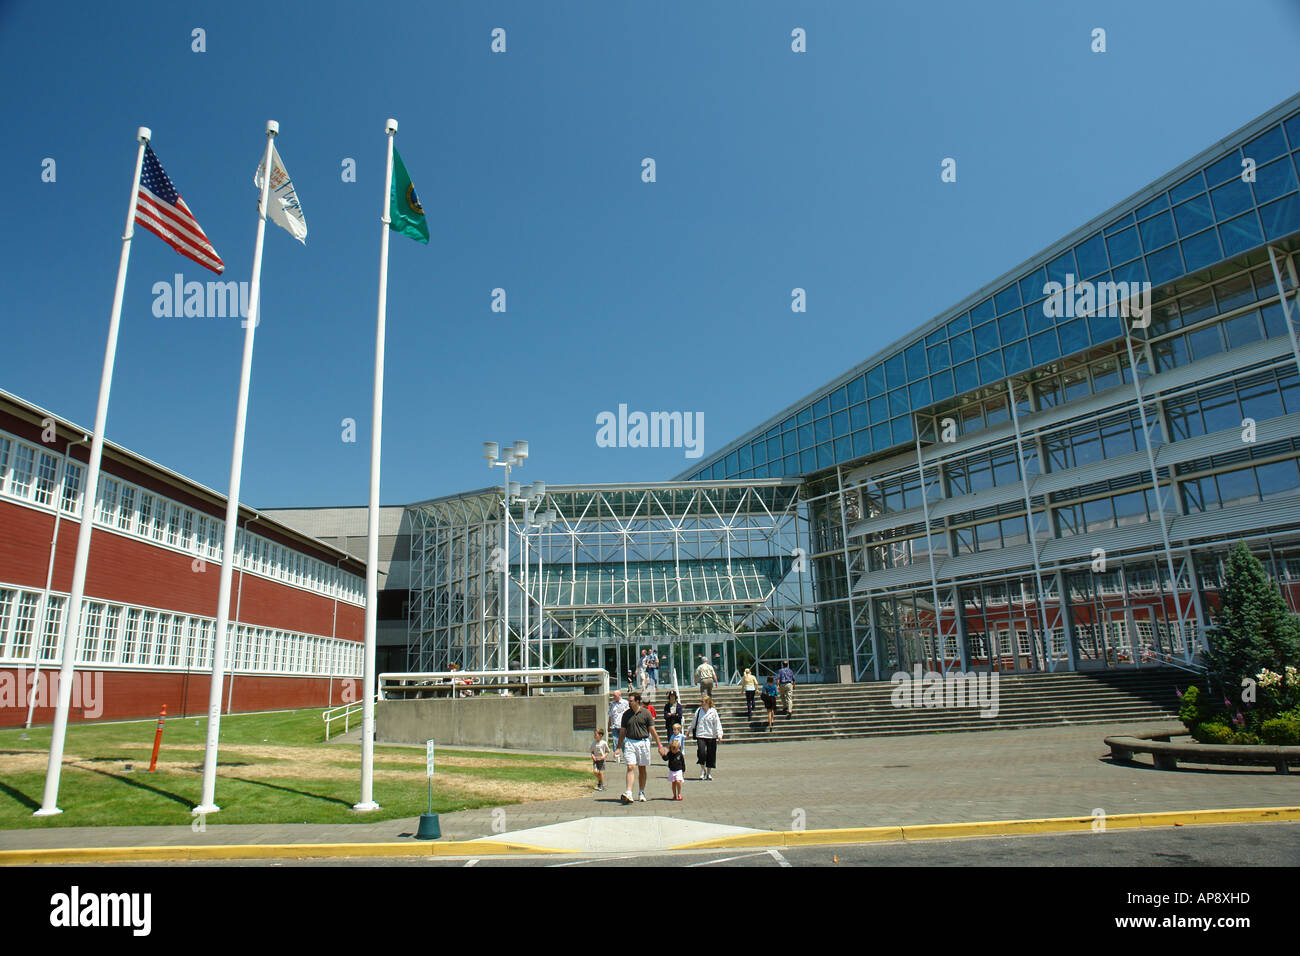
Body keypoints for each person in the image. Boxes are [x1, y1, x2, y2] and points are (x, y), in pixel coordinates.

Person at [617, 692, 667, 804]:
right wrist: (618, 747)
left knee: (642, 768)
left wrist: (660, 746)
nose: (629, 703)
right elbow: (622, 732)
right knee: (630, 766)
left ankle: (641, 791)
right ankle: (629, 792)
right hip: (630, 742)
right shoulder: (626, 715)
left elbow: (652, 731)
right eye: (629, 700)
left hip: (643, 742)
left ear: (637, 701)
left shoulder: (646, 713)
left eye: (631, 701)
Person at [689, 695, 723, 780]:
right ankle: (702, 770)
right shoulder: (699, 711)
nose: (701, 703)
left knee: (711, 754)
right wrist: (688, 730)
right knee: (701, 753)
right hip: (700, 734)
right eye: (701, 701)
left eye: (702, 702)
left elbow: (717, 723)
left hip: (711, 735)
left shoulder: (713, 711)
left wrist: (719, 734)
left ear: (707, 703)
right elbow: (694, 721)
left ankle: (709, 772)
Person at [608, 690, 629, 762]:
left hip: (623, 726)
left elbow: (628, 714)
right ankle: (617, 755)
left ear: (619, 695)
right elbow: (610, 715)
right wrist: (609, 725)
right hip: (614, 725)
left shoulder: (625, 703)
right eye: (613, 695)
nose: (613, 697)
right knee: (615, 741)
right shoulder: (612, 704)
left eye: (615, 696)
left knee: (624, 741)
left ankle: (625, 755)